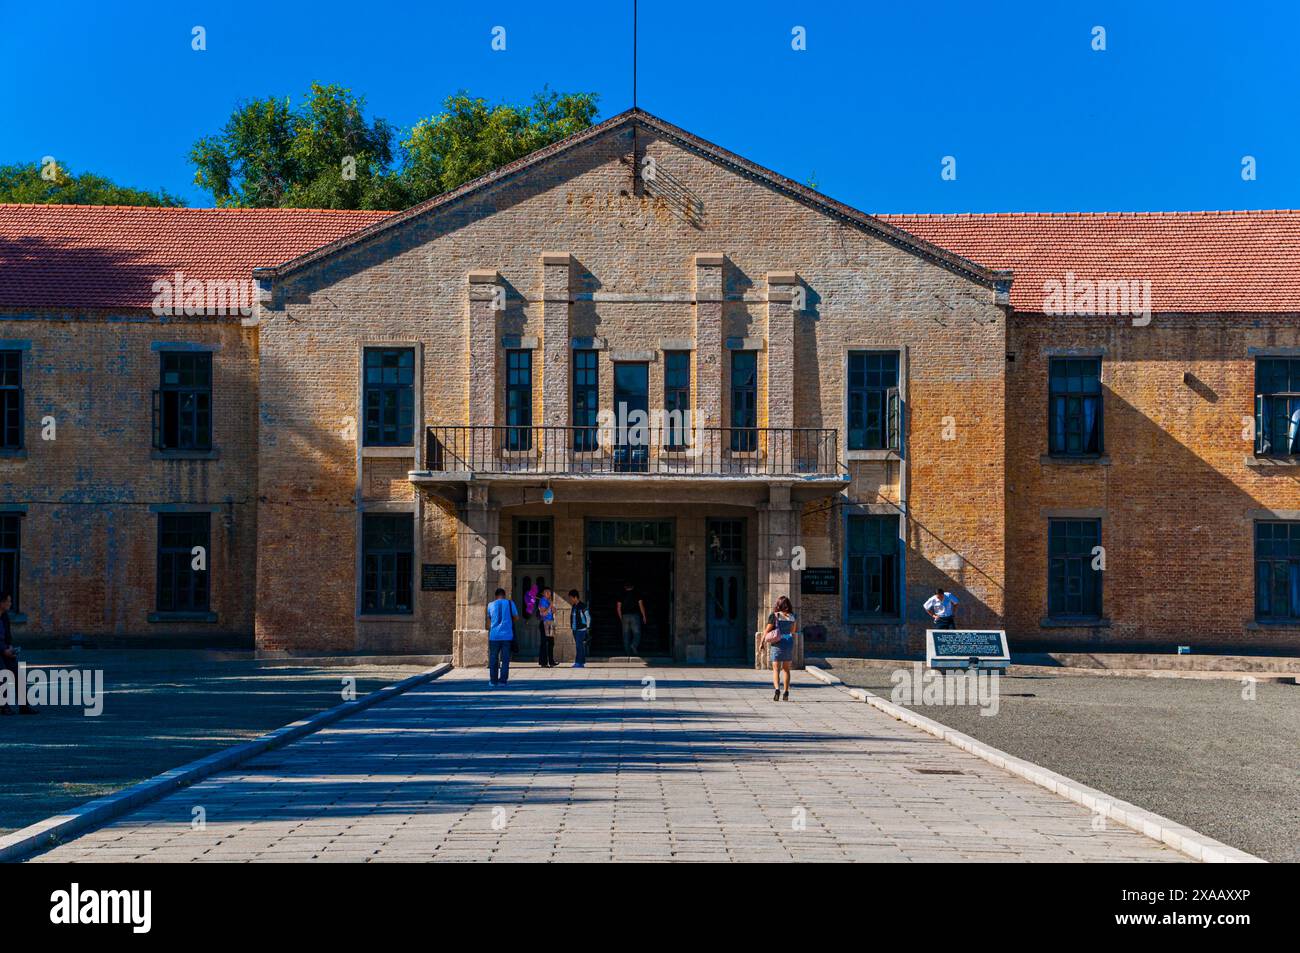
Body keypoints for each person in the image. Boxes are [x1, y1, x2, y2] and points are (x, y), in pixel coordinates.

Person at [0, 593, 34, 715]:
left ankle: (24, 706)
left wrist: (10, 648)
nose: (10, 604)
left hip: (5, 650)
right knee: (2, 674)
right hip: (1, 651)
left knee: (18, 674)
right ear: (1, 602)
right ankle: (3, 707)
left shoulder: (4, 617)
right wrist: (4, 650)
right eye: (8, 601)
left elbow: (8, 636)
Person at [763, 595, 798, 702]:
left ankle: (777, 689)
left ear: (778, 605)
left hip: (777, 642)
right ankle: (786, 692)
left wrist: (762, 643)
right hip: (788, 641)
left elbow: (766, 631)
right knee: (786, 669)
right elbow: (793, 631)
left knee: (776, 669)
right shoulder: (792, 616)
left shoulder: (774, 616)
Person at [487, 587, 518, 687]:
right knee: (505, 659)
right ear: (504, 595)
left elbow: (489, 620)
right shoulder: (510, 603)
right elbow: (516, 617)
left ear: (495, 596)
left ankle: (493, 681)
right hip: (507, 635)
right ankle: (503, 681)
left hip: (494, 636)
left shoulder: (490, 605)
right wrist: (509, 621)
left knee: (493, 658)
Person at [615, 581, 646, 657]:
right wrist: (644, 616)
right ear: (633, 587)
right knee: (637, 633)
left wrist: (620, 617)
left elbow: (618, 607)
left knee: (625, 635)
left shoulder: (621, 595)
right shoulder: (637, 594)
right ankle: (634, 645)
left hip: (625, 616)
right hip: (635, 616)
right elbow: (641, 605)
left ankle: (628, 653)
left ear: (625, 587)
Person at [566, 589, 590, 668]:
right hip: (575, 629)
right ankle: (581, 662)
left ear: (575, 597)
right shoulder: (574, 606)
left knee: (579, 646)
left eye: (571, 598)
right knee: (579, 646)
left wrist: (587, 627)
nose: (570, 600)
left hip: (581, 629)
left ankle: (578, 662)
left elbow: (588, 617)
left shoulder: (582, 606)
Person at [538, 587, 557, 667]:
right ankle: (543, 662)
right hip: (545, 622)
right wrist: (549, 606)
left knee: (551, 643)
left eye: (549, 592)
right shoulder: (542, 601)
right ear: (543, 593)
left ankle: (551, 661)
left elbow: (554, 611)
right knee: (544, 643)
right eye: (546, 592)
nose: (548, 594)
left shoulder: (549, 601)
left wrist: (552, 605)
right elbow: (543, 613)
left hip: (551, 622)